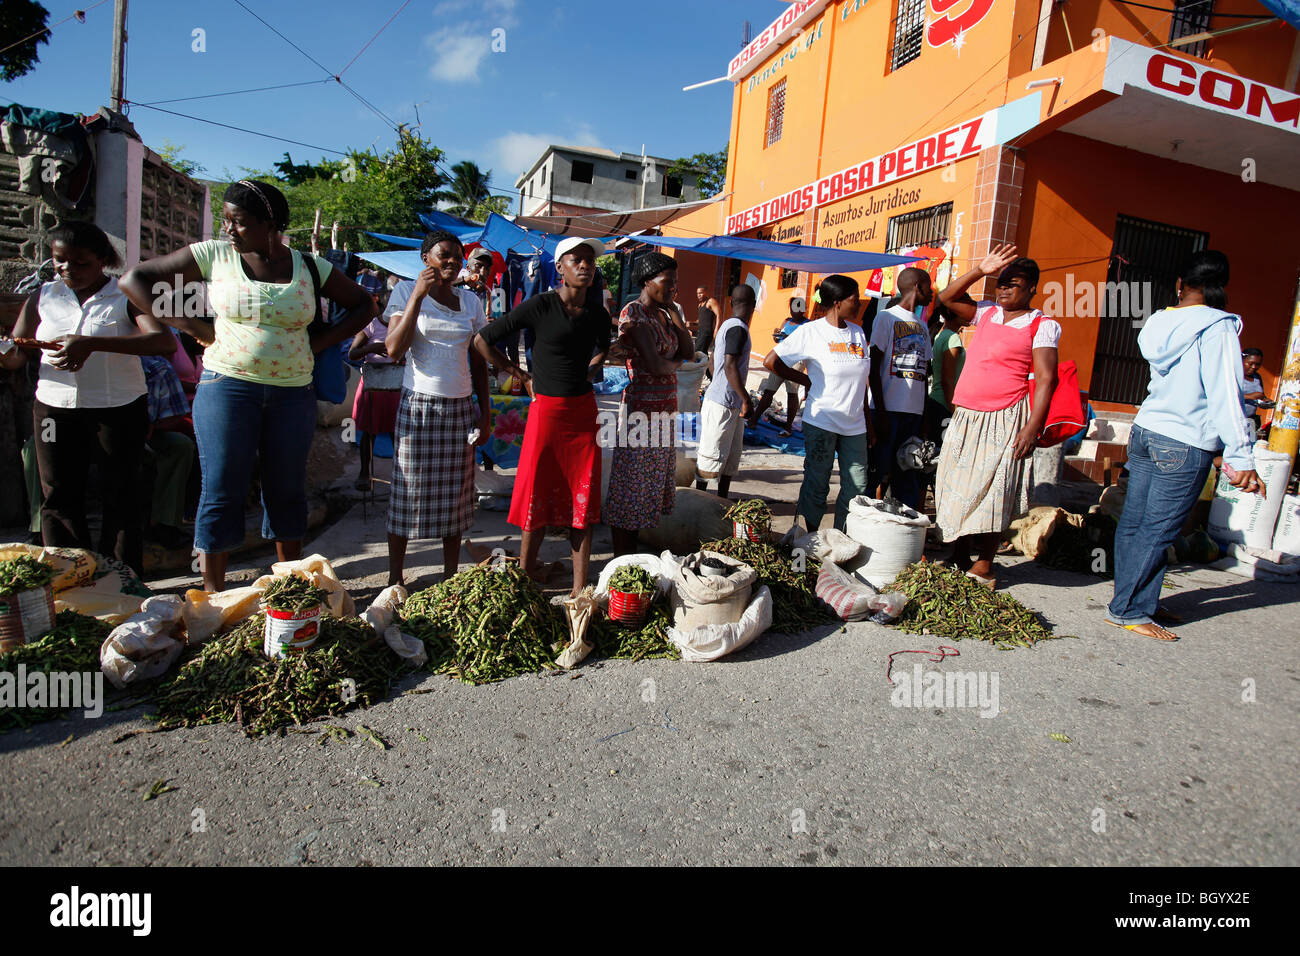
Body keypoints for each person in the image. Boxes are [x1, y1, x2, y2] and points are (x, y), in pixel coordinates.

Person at [119, 180, 378, 591]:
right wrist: (190, 323)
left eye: (237, 222)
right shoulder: (213, 256)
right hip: (227, 387)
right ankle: (213, 594)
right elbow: (134, 280)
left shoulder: (310, 266)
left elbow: (365, 305)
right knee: (222, 487)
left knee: (287, 490)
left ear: (269, 223)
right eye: (225, 221)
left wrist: (320, 342)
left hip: (293, 393)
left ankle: (289, 588)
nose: (228, 230)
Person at [1, 221, 176, 574]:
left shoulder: (125, 297)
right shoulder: (44, 296)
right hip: (54, 407)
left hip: (117, 409)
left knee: (121, 495)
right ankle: (71, 578)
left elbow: (163, 342)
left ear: (102, 261)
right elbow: (19, 353)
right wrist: (5, 352)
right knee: (59, 495)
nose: (68, 270)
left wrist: (92, 343)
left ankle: (121, 580)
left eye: (80, 263)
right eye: (59, 261)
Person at [1107, 251, 1262, 641]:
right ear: (1219, 287)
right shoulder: (1218, 327)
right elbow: (1226, 392)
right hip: (1185, 440)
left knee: (1136, 525)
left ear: (1181, 284)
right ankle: (1129, 609)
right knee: (1158, 531)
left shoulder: (1160, 321)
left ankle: (1139, 600)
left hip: (1146, 431)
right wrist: (1242, 454)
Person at [471, 237, 612, 597]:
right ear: (560, 268)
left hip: (583, 413)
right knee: (537, 492)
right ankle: (524, 578)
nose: (585, 266)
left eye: (590, 261)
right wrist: (520, 374)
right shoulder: (540, 305)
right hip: (547, 412)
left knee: (584, 499)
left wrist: (592, 368)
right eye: (576, 260)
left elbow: (603, 348)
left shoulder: (598, 313)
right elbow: (483, 340)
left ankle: (580, 592)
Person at [934, 245, 1058, 588]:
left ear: (1032, 288)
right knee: (957, 485)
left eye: (1012, 284)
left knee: (994, 491)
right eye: (1000, 283)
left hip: (1006, 417)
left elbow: (1048, 379)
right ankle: (958, 554)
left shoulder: (1042, 325)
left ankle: (985, 563)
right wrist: (979, 270)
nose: (1003, 289)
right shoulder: (986, 312)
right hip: (968, 416)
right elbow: (945, 298)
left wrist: (1033, 428)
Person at [383, 231, 492, 586]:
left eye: (457, 257)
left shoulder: (471, 302)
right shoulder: (403, 292)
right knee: (406, 493)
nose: (451, 261)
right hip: (418, 408)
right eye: (443, 255)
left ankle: (449, 578)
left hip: (459, 409)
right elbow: (394, 350)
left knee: (456, 501)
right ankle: (395, 578)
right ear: (425, 259)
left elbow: (478, 362)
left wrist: (485, 413)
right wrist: (417, 295)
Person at [763, 275, 875, 532]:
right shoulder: (810, 332)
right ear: (837, 302)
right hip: (822, 422)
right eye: (854, 299)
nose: (859, 304)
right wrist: (805, 380)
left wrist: (870, 425)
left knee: (857, 485)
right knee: (817, 482)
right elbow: (772, 361)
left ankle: (842, 537)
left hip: (855, 425)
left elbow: (862, 383)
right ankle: (810, 537)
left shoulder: (857, 333)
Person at [602, 253, 694, 555]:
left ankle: (633, 555)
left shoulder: (666, 315)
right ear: (646, 281)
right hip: (640, 413)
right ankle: (621, 558)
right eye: (667, 283)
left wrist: (678, 320)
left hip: (664, 412)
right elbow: (656, 366)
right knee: (631, 487)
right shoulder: (634, 313)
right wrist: (675, 361)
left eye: (676, 284)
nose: (673, 289)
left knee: (646, 490)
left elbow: (689, 352)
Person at [869, 267, 934, 509]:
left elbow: (924, 373)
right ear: (917, 287)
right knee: (878, 471)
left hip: (913, 414)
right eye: (928, 286)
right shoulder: (886, 318)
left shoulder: (923, 325)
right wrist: (882, 412)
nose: (932, 292)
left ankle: (902, 526)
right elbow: (874, 366)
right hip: (887, 410)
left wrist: (924, 415)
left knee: (907, 472)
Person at [696, 284, 756, 499]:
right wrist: (746, 399)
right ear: (754, 305)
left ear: (731, 303)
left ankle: (722, 501)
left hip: (729, 402)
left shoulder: (726, 326)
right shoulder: (738, 329)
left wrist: (718, 383)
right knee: (711, 457)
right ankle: (700, 501)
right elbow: (730, 365)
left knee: (730, 456)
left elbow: (713, 361)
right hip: (723, 403)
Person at [140, 352, 196, 550]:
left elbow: (174, 414)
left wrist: (151, 426)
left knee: (179, 445)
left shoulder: (155, 366)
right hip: (92, 426)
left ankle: (164, 523)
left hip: (147, 430)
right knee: (39, 442)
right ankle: (38, 529)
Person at [348, 307, 403, 491]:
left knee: (396, 433)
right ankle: (365, 472)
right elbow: (352, 353)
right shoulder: (371, 325)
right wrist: (373, 347)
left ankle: (402, 474)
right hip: (373, 382)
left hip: (395, 383)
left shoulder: (403, 325)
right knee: (369, 432)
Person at [750, 295, 807, 436]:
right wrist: (777, 335)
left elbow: (807, 345)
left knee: (792, 393)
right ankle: (754, 419)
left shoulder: (808, 325)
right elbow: (778, 340)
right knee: (769, 391)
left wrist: (791, 340)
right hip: (780, 359)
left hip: (795, 362)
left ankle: (788, 427)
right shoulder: (787, 321)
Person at [925, 300, 967, 444]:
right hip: (945, 404)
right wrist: (954, 411)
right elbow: (947, 380)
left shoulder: (941, 335)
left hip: (937, 402)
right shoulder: (952, 338)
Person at [1240, 348, 1269, 433]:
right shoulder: (1234, 376)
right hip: (1235, 420)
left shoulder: (1257, 377)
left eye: (1257, 364)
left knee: (1251, 443)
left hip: (1251, 420)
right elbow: (1226, 395)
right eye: (1250, 363)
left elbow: (1260, 396)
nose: (1254, 367)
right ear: (1241, 361)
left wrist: (1265, 401)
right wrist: (1250, 396)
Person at [694, 286, 721, 355]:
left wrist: (716, 329)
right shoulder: (699, 305)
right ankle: (707, 364)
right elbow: (700, 320)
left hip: (707, 333)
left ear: (706, 293)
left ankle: (705, 364)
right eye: (697, 293)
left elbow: (719, 314)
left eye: (701, 293)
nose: (698, 295)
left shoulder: (711, 301)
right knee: (702, 352)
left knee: (698, 351)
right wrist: (691, 323)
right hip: (700, 332)